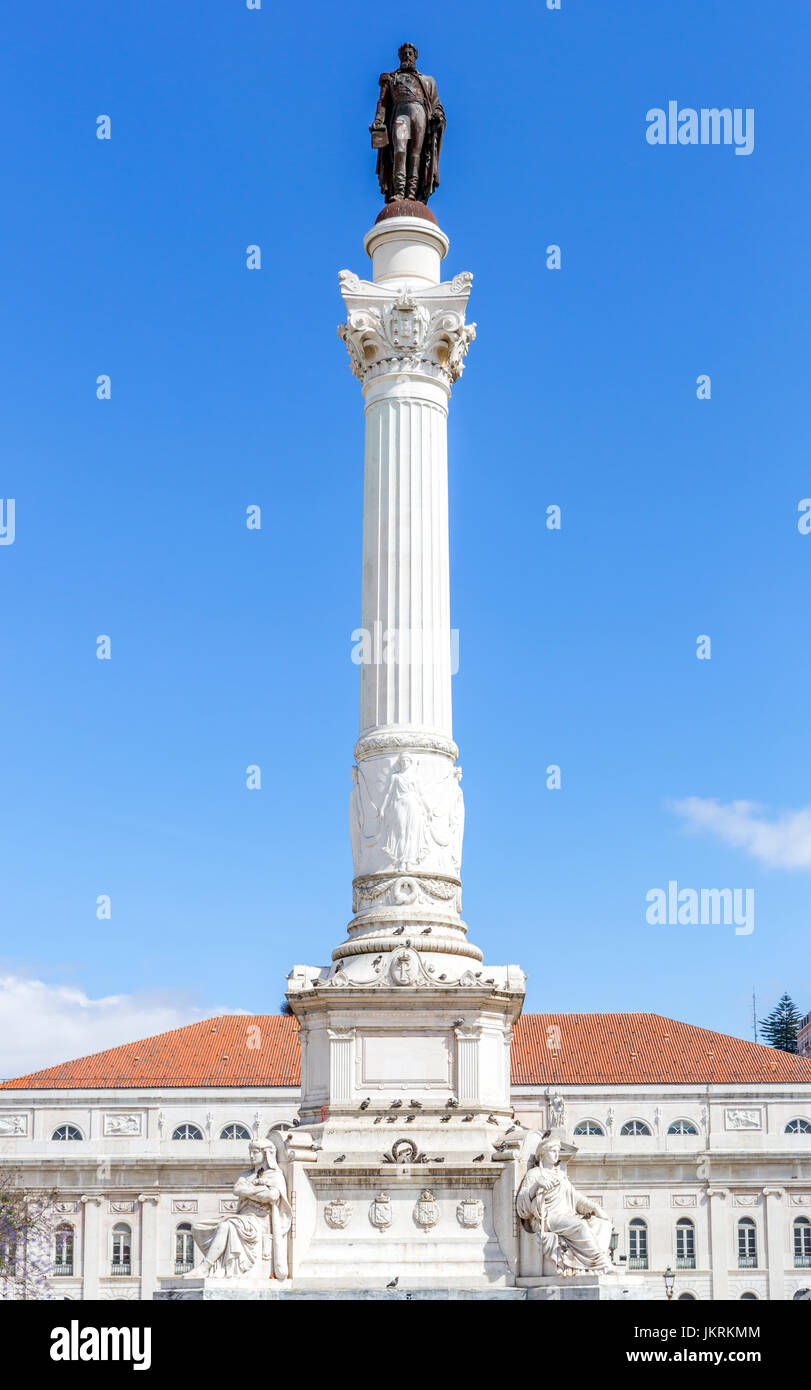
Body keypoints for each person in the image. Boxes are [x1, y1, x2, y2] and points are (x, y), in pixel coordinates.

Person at [191, 1140, 292, 1280]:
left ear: (265, 1154)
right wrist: (260, 1189)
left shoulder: (275, 1175)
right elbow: (237, 1189)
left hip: (260, 1221)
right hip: (243, 1217)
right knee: (198, 1226)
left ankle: (205, 1267)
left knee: (227, 1226)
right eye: (250, 1152)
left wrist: (249, 1191)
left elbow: (272, 1196)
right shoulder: (246, 1174)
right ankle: (210, 1266)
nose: (251, 1156)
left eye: (255, 1152)